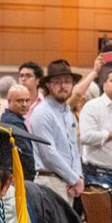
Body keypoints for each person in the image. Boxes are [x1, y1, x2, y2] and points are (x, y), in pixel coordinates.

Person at [28, 60, 84, 204]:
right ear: (48, 85)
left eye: (67, 81)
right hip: (49, 180)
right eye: (57, 82)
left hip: (66, 181)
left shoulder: (67, 112)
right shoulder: (42, 112)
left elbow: (74, 149)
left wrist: (78, 177)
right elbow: (48, 154)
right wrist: (74, 178)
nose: (63, 86)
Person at [0, 84, 36, 182]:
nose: (24, 104)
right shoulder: (13, 122)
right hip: (19, 178)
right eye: (19, 101)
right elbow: (26, 154)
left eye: (27, 100)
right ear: (9, 101)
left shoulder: (12, 119)